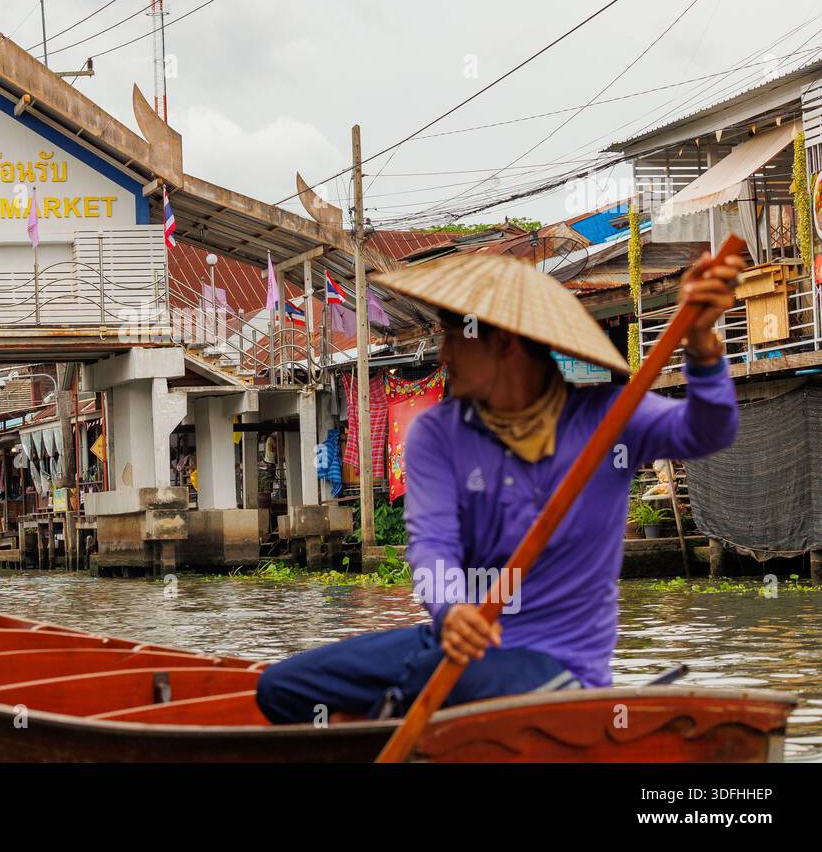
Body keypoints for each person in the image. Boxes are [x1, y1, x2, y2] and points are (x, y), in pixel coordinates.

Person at [255, 250, 744, 724]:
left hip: (555, 661)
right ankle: (396, 718)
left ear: (506, 345)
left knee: (438, 676)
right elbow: (432, 544)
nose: (444, 354)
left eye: (455, 338)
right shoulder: (438, 433)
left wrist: (701, 345)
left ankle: (430, 711)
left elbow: (708, 431)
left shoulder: (609, 418)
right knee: (281, 687)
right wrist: (451, 608)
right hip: (459, 641)